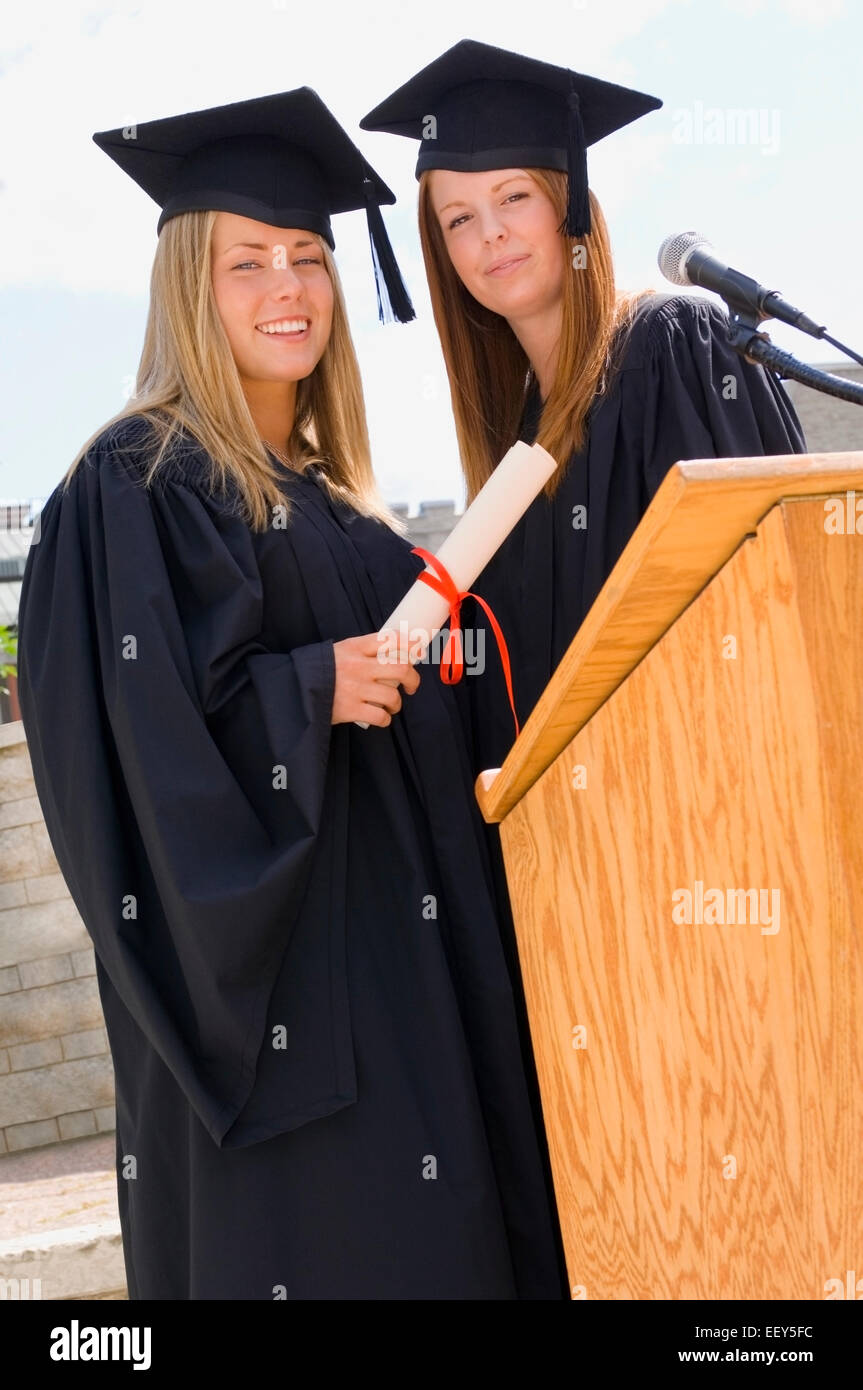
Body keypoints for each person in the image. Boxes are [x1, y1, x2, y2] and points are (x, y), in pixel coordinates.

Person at [16, 88, 568, 1300]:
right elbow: (122, 761)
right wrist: (304, 691)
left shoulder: (353, 520)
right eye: (248, 261)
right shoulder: (134, 488)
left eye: (309, 258)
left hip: (417, 1015)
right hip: (285, 1058)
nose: (289, 287)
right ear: (187, 291)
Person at [360, 40, 808, 771]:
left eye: (512, 197)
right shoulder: (510, 454)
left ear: (567, 203)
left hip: (719, 807)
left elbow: (764, 601)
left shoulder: (673, 343)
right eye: (458, 220)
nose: (491, 233)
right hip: (589, 853)